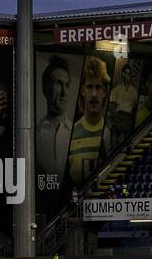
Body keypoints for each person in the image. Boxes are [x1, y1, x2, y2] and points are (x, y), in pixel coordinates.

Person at [68, 57, 111, 187]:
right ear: (82, 91)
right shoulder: (71, 133)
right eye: (89, 87)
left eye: (98, 87)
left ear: (104, 92)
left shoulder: (110, 132)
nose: (93, 94)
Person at [37, 56, 74, 184]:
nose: (64, 92)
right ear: (45, 89)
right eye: (58, 83)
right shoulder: (33, 135)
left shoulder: (77, 134)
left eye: (67, 85)